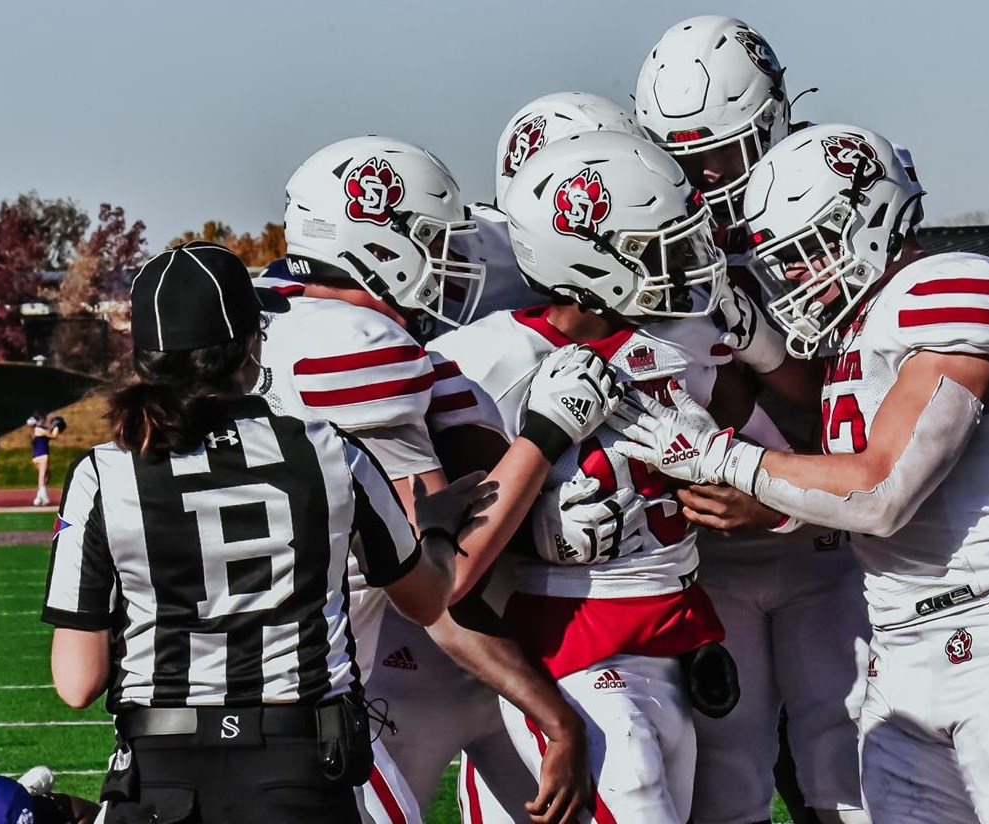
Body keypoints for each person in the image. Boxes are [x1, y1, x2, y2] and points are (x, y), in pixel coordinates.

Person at [614, 124, 989, 823]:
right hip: (897, 647)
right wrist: (773, 499)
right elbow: (846, 467)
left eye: (808, 252)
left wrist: (717, 456)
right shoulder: (858, 331)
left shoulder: (954, 286)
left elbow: (880, 491)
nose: (799, 277)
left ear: (864, 220)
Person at [40, 242, 493, 824]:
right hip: (301, 767)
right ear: (251, 342)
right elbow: (427, 600)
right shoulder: (329, 450)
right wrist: (432, 530)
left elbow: (78, 682)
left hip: (163, 775)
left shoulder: (105, 474)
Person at [261, 136, 614, 824]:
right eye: (430, 240)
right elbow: (442, 578)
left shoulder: (263, 309)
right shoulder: (361, 350)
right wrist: (544, 435)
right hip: (308, 697)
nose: (451, 263)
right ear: (373, 243)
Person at [428, 129, 765, 824]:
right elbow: (446, 542)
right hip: (573, 637)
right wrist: (537, 514)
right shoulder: (484, 361)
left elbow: (749, 422)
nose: (684, 263)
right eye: (657, 247)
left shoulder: (687, 335)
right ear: (586, 257)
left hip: (675, 637)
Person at [361, 92, 652, 824]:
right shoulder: (474, 329)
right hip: (433, 641)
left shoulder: (639, 310)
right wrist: (536, 513)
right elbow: (431, 529)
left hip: (540, 645)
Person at [636, 17, 872, 824]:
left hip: (825, 540)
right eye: (683, 158)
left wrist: (759, 356)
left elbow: (855, 403)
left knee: (841, 766)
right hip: (712, 547)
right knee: (725, 773)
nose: (703, 177)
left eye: (721, 154)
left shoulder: (832, 212)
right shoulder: (656, 227)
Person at [28, 413, 63, 507]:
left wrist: (54, 427)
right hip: (42, 455)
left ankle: (40, 496)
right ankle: (41, 497)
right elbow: (53, 435)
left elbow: (48, 434)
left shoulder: (36, 431)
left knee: (47, 476)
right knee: (42, 476)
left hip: (35, 457)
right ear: (39, 420)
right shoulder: (40, 429)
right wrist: (57, 426)